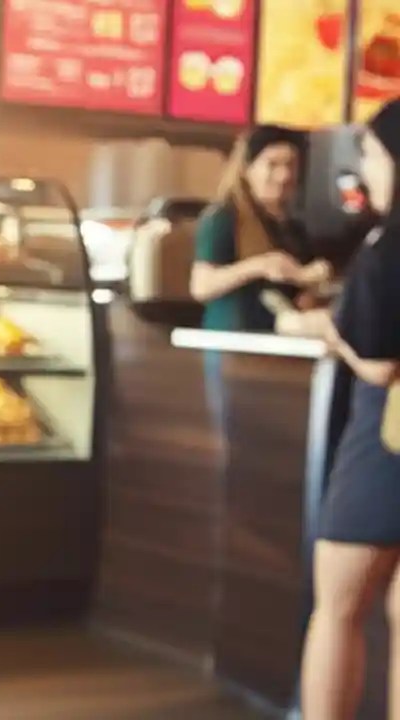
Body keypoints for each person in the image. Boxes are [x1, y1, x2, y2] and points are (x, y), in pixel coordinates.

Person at [300, 99, 400, 720]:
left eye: (371, 152)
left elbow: (381, 363)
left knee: (338, 608)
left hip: (384, 449)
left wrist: (331, 331)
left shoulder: (389, 247)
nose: (365, 167)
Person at [190, 125, 332, 332]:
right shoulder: (223, 218)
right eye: (272, 165)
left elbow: (298, 297)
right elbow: (202, 287)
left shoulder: (293, 228)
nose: (283, 175)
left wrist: (311, 285)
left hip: (279, 342)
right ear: (248, 169)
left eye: (290, 165)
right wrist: (260, 266)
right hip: (232, 341)